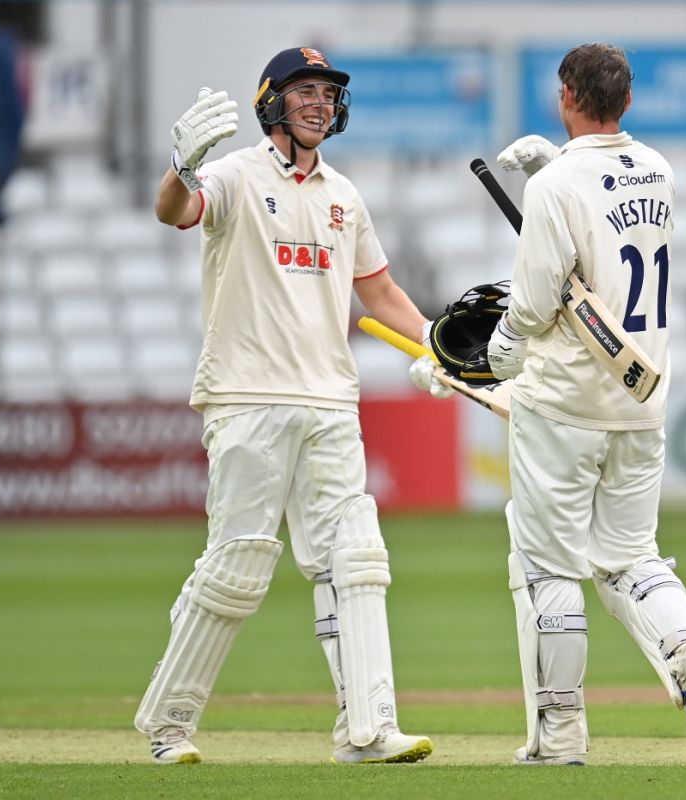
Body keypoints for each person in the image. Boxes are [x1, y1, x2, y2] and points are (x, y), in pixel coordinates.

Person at [134, 46, 436, 766]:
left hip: (331, 400)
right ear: (274, 100)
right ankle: (168, 727)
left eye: (327, 93)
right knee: (236, 564)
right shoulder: (235, 176)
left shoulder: (344, 195)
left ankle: (368, 730)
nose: (319, 103)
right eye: (305, 90)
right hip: (247, 397)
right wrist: (179, 167)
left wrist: (436, 346)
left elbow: (382, 295)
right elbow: (173, 210)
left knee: (356, 560)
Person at [486, 43, 686, 765]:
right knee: (633, 557)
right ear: (627, 102)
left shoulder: (557, 186)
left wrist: (501, 352)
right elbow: (609, 229)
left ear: (566, 95)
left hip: (564, 402)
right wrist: (554, 176)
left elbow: (533, 304)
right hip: (641, 399)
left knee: (549, 569)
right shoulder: (659, 169)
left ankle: (560, 737)